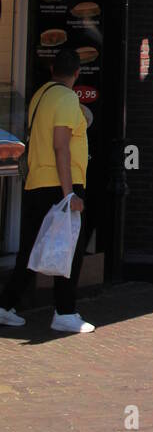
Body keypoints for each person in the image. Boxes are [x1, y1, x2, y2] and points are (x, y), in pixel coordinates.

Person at [0, 49, 92, 334]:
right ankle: (64, 311)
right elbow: (60, 145)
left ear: (53, 69)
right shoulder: (66, 98)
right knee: (69, 249)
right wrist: (69, 195)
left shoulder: (41, 95)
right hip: (60, 184)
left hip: (37, 182)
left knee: (29, 249)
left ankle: (5, 305)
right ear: (77, 74)